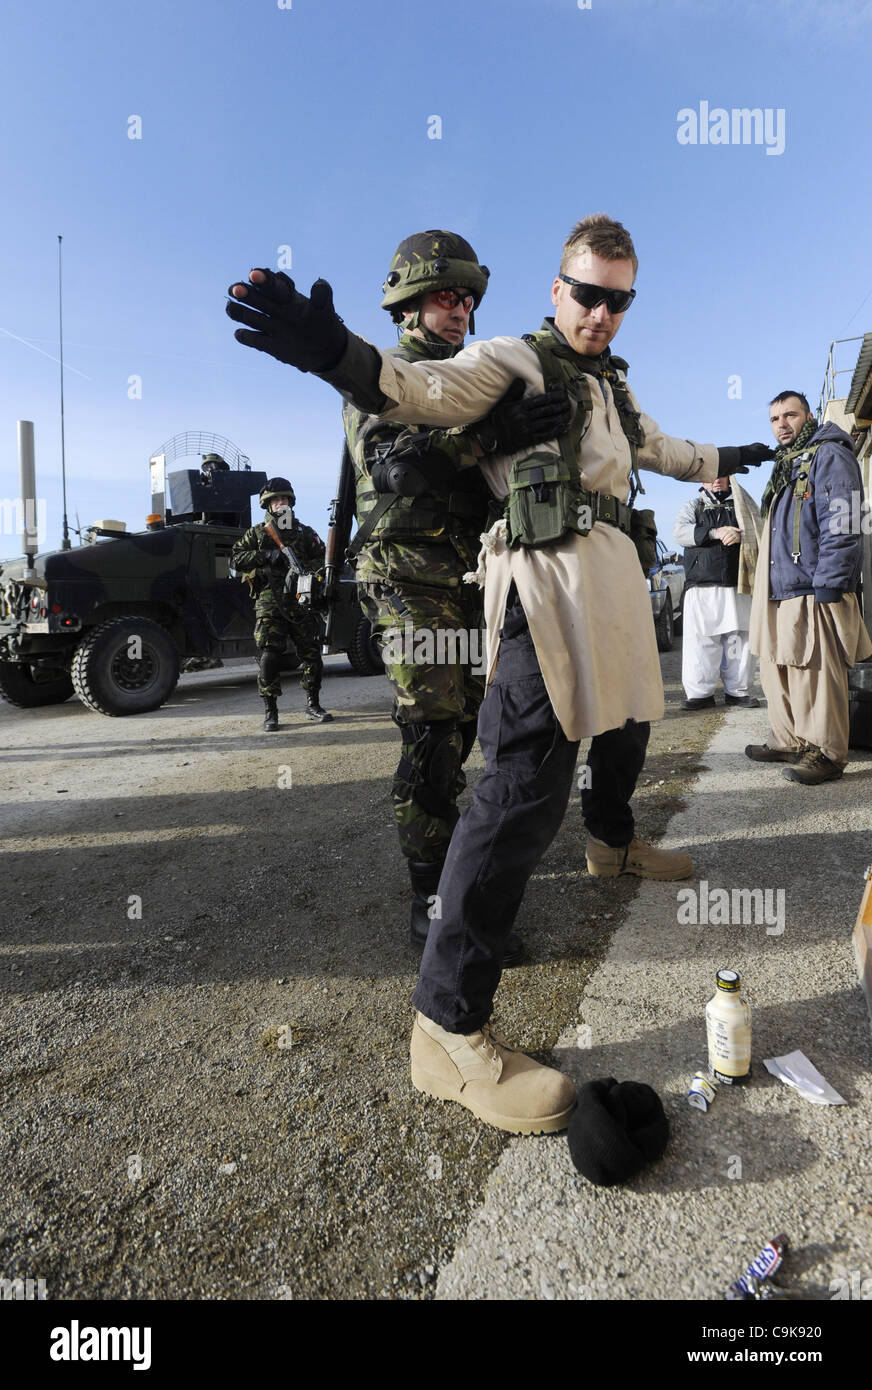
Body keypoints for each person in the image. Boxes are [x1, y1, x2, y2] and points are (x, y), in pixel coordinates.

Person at [227, 213, 773, 1132]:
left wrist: (733, 457)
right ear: (558, 290)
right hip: (541, 586)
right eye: (588, 294)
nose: (601, 312)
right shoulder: (510, 359)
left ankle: (611, 842)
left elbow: (660, 449)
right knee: (519, 789)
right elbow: (416, 389)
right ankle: (445, 1026)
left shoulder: (608, 384)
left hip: (610, 583)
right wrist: (335, 354)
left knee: (630, 728)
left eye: (619, 299)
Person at [345, 230, 568, 959]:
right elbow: (397, 470)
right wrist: (484, 435)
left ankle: (461, 880)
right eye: (446, 297)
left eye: (468, 299)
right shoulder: (389, 376)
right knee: (435, 735)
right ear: (408, 305)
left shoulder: (474, 376)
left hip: (473, 576)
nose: (460, 310)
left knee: (474, 728)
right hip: (406, 573)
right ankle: (432, 904)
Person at [746, 391, 872, 784]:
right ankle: (788, 738)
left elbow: (847, 520)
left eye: (790, 415)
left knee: (815, 669)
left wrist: (831, 581)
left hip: (812, 583)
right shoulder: (787, 463)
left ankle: (828, 753)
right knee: (776, 665)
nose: (782, 424)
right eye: (774, 418)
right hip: (780, 584)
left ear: (809, 416)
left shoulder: (830, 454)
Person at [231, 479, 334, 730]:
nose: (281, 504)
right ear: (267, 504)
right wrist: (267, 555)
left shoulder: (304, 532)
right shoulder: (257, 533)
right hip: (270, 600)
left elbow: (324, 560)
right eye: (276, 501)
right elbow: (235, 560)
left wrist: (305, 572)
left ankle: (313, 704)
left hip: (301, 599)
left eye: (285, 500)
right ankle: (271, 712)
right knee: (269, 656)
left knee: (312, 654)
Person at [673, 476, 762, 709]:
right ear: (702, 481)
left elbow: (760, 531)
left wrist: (742, 535)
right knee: (701, 641)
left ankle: (738, 691)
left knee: (739, 640)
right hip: (701, 587)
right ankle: (700, 694)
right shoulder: (693, 506)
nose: (716, 481)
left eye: (722, 475)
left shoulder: (745, 507)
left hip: (738, 584)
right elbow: (680, 533)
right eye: (710, 476)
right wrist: (715, 532)